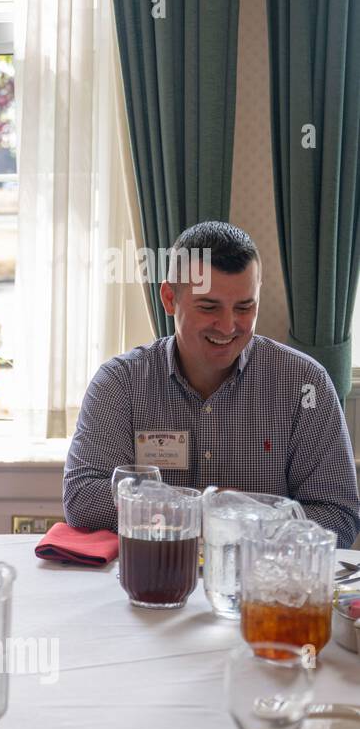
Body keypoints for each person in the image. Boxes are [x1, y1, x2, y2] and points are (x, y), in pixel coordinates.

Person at [63, 221, 360, 543]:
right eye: (208, 307)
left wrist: (245, 517)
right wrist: (204, 510)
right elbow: (83, 498)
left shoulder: (304, 383)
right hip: (152, 575)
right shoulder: (121, 382)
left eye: (245, 307)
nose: (228, 326)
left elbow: (339, 516)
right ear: (169, 298)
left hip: (258, 585)